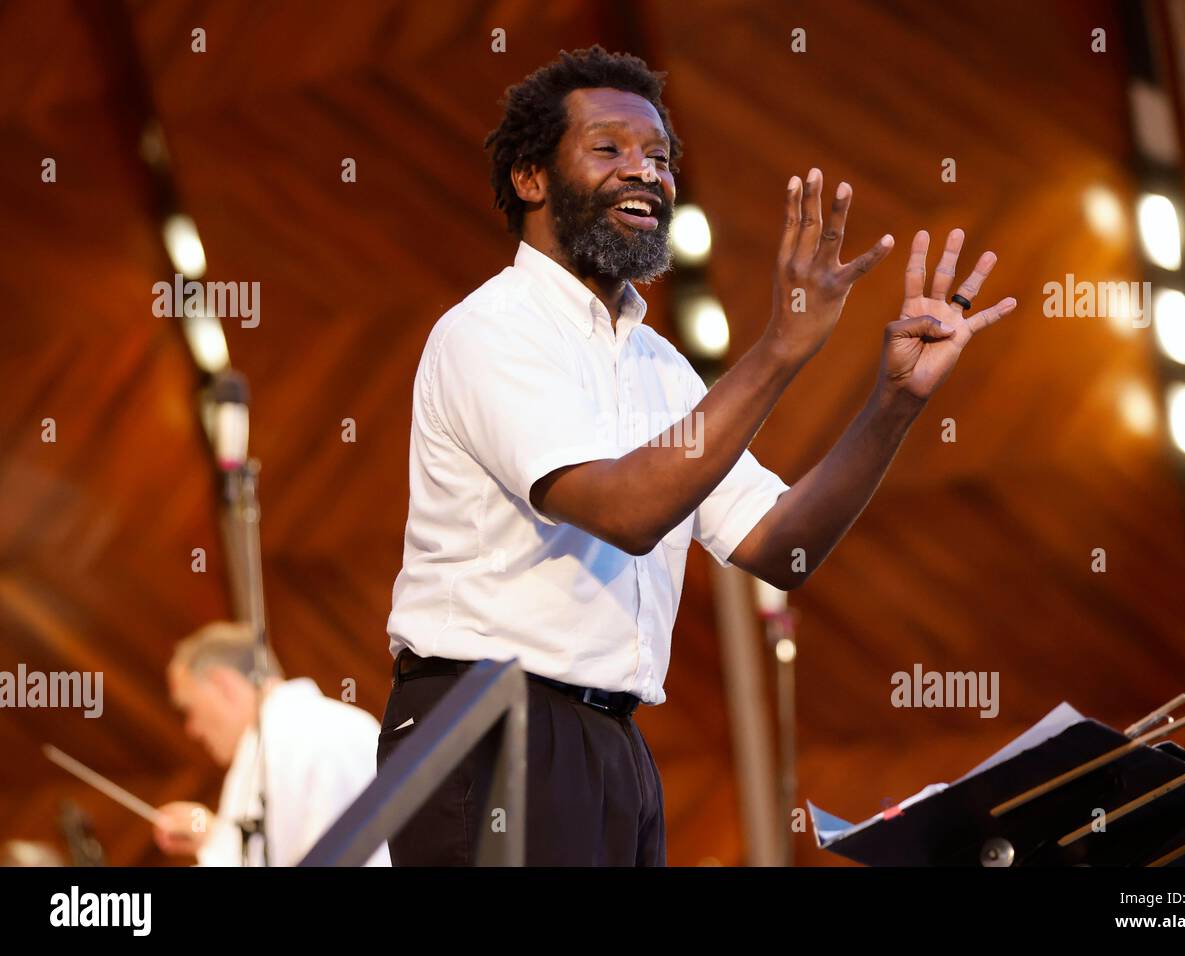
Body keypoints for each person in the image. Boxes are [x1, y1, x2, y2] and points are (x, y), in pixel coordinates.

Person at [382, 45, 1016, 866]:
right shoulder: (489, 332)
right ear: (532, 178)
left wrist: (895, 402)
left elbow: (781, 547)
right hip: (487, 729)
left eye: (661, 157)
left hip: (613, 742)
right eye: (610, 149)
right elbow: (626, 512)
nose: (645, 171)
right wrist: (782, 350)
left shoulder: (661, 367)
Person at [155, 621, 389, 866]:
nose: (192, 729)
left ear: (222, 685)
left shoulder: (281, 743)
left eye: (190, 709)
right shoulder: (332, 724)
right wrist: (215, 837)